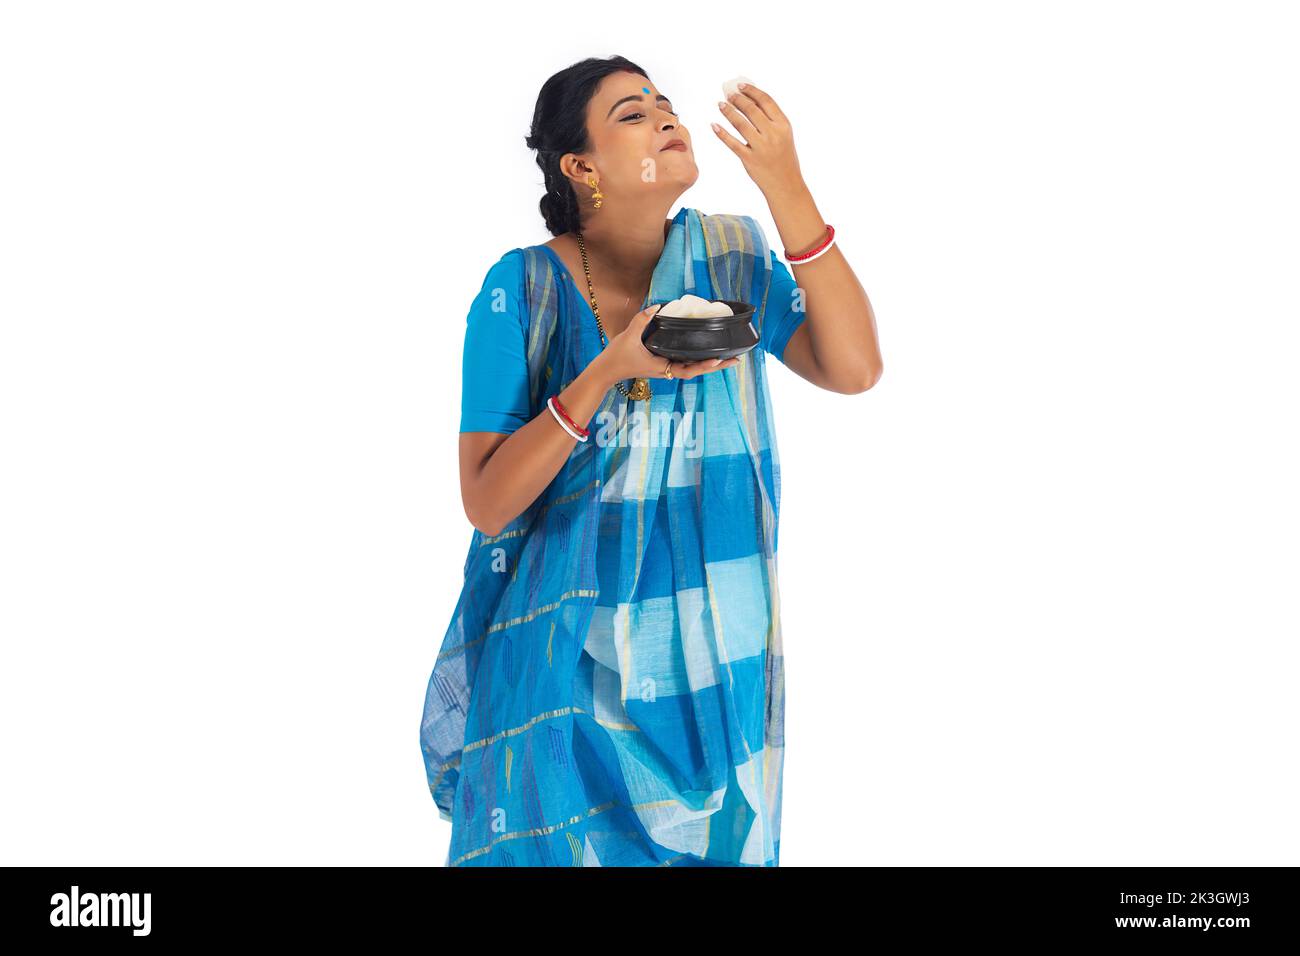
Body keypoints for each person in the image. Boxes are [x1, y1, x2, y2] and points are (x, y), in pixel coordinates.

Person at [420, 55, 882, 866]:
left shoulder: (730, 258)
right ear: (581, 167)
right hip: (562, 673)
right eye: (633, 113)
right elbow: (488, 502)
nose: (666, 115)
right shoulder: (520, 291)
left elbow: (853, 367)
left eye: (664, 102)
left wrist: (787, 189)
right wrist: (607, 369)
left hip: (711, 677)